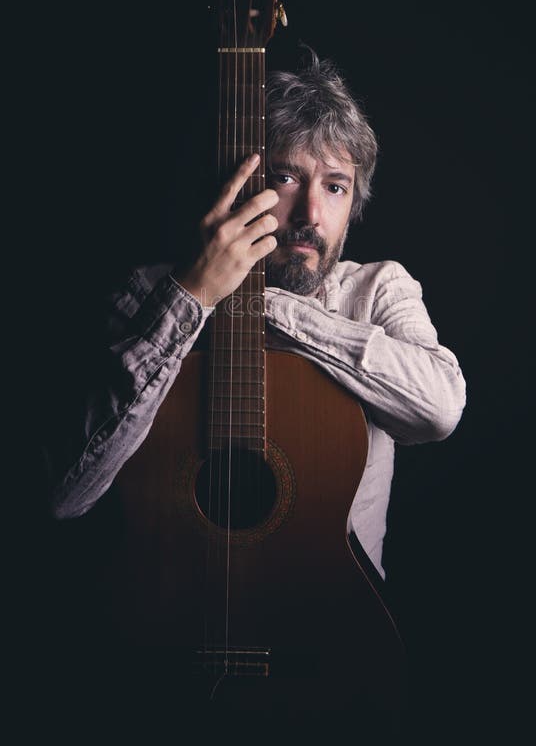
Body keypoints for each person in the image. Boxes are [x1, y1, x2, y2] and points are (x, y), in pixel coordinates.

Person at [49, 52, 466, 584]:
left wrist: (255, 298)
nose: (311, 213)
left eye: (335, 186)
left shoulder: (379, 288)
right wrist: (194, 293)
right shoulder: (152, 293)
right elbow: (66, 495)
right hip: (174, 620)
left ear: (352, 204)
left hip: (334, 623)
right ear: (240, 184)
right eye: (287, 178)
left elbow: (439, 410)